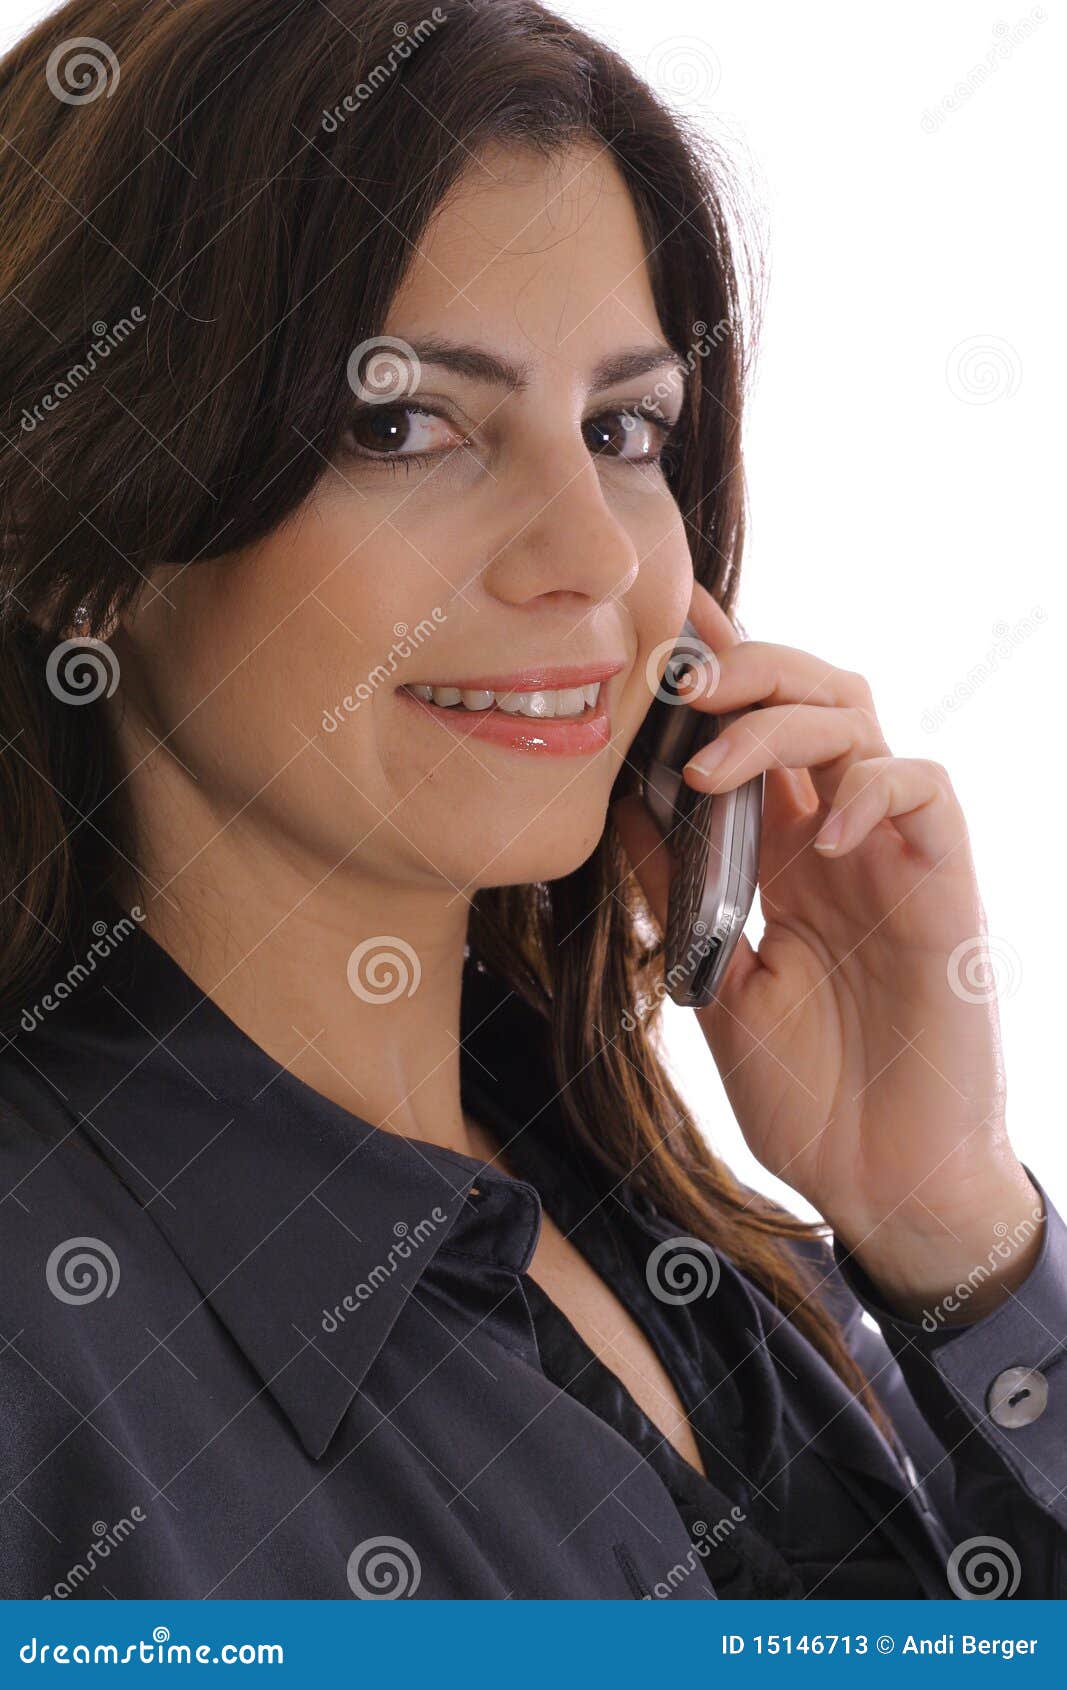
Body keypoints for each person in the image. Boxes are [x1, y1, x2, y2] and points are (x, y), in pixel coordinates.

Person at [0, 0, 1062, 1601]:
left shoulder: (663, 1217)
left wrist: (961, 1240)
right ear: (78, 536)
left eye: (625, 431)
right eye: (404, 423)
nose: (594, 564)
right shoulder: (44, 1345)